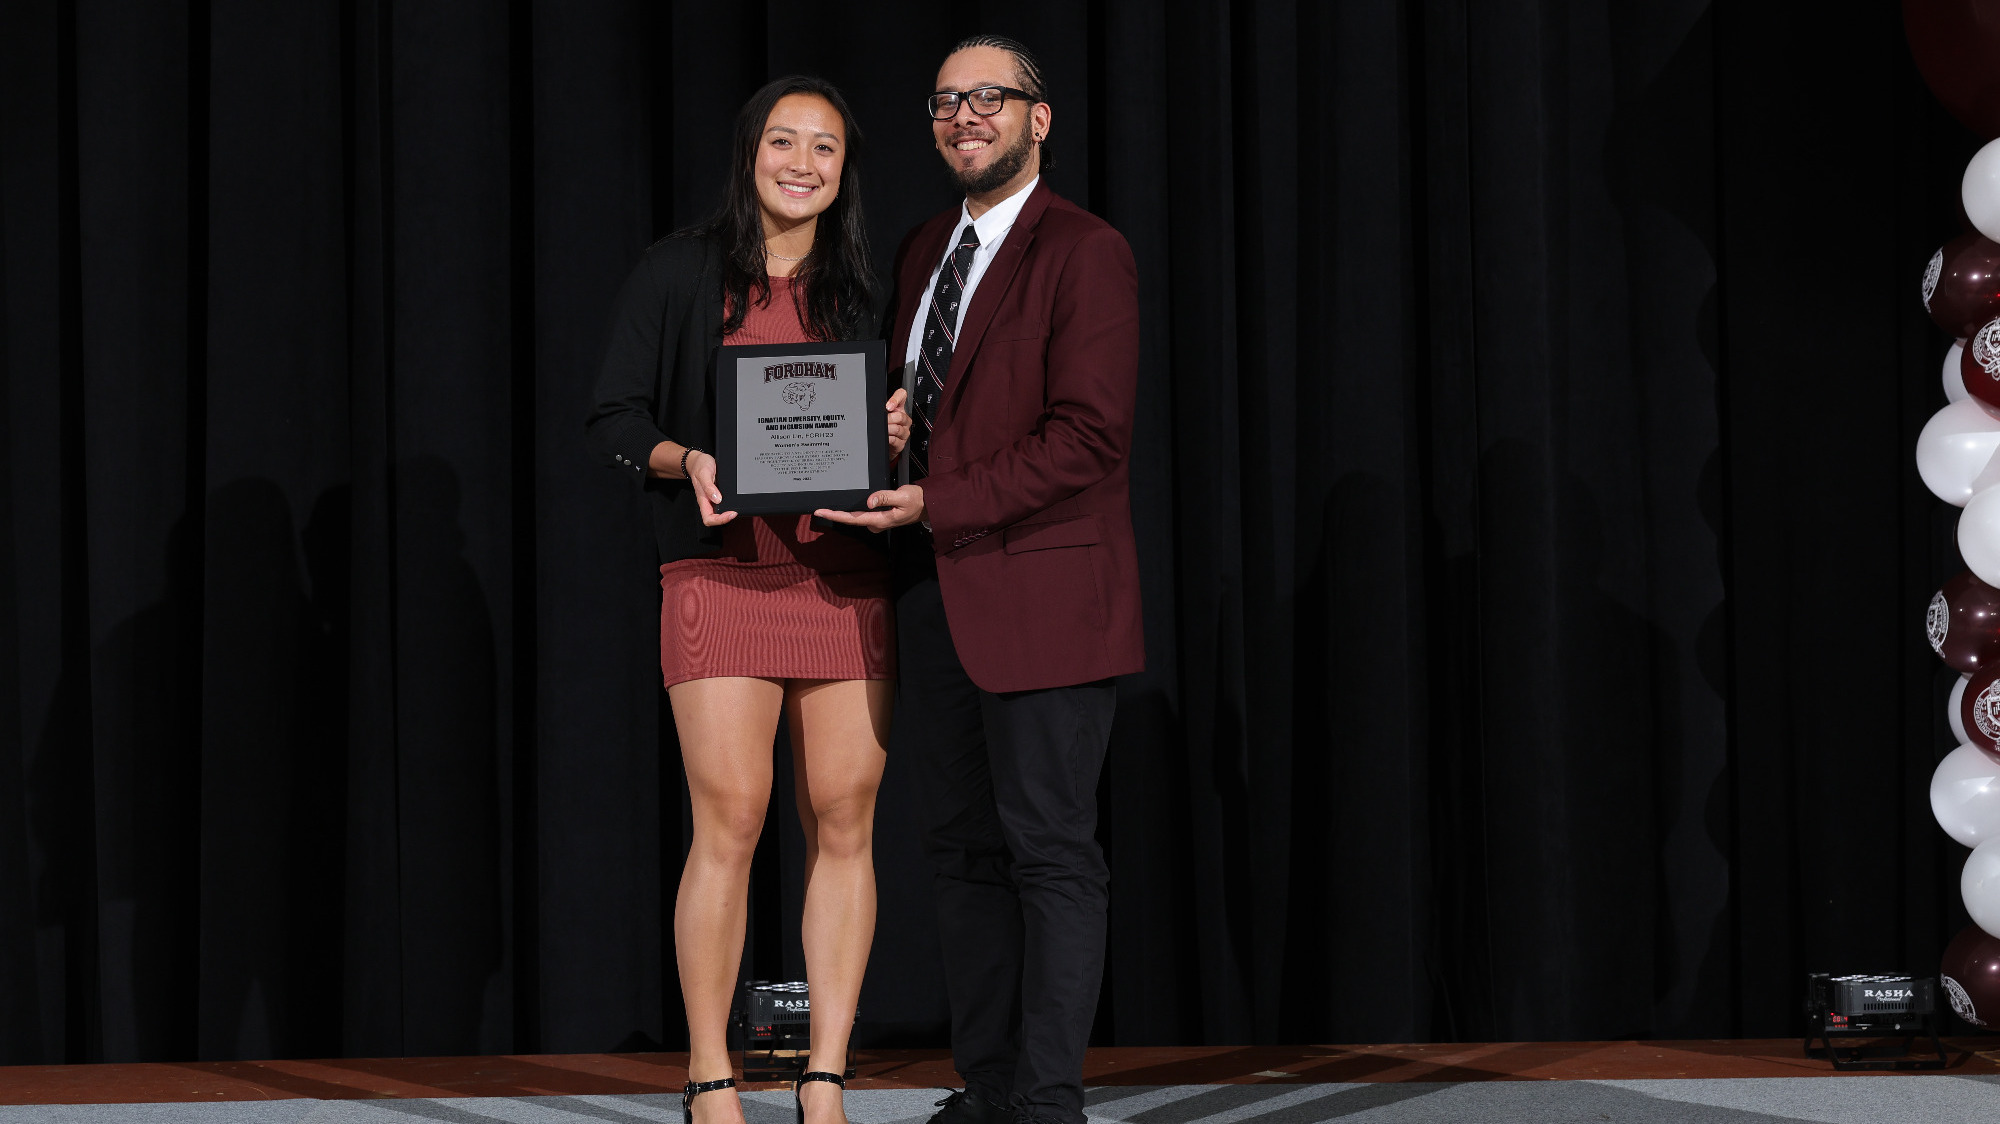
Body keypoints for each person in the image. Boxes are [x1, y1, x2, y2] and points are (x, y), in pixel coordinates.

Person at [813, 34, 1143, 1124]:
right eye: (945, 99)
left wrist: (936, 495)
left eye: (987, 97)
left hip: (1044, 598)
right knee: (959, 852)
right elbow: (931, 410)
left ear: (1037, 119)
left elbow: (1086, 437)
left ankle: (1047, 1101)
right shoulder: (920, 251)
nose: (964, 115)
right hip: (931, 593)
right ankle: (990, 1081)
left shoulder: (1083, 250)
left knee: (1049, 852)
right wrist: (889, 431)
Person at [586, 75, 910, 1124]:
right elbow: (613, 416)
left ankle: (822, 1071)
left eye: (824, 147)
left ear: (843, 170)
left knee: (844, 815)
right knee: (729, 815)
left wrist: (901, 430)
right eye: (784, 141)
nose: (802, 163)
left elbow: (904, 420)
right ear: (749, 151)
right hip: (719, 573)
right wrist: (684, 459)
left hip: (841, 578)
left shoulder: (867, 285)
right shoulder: (676, 268)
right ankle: (710, 1071)